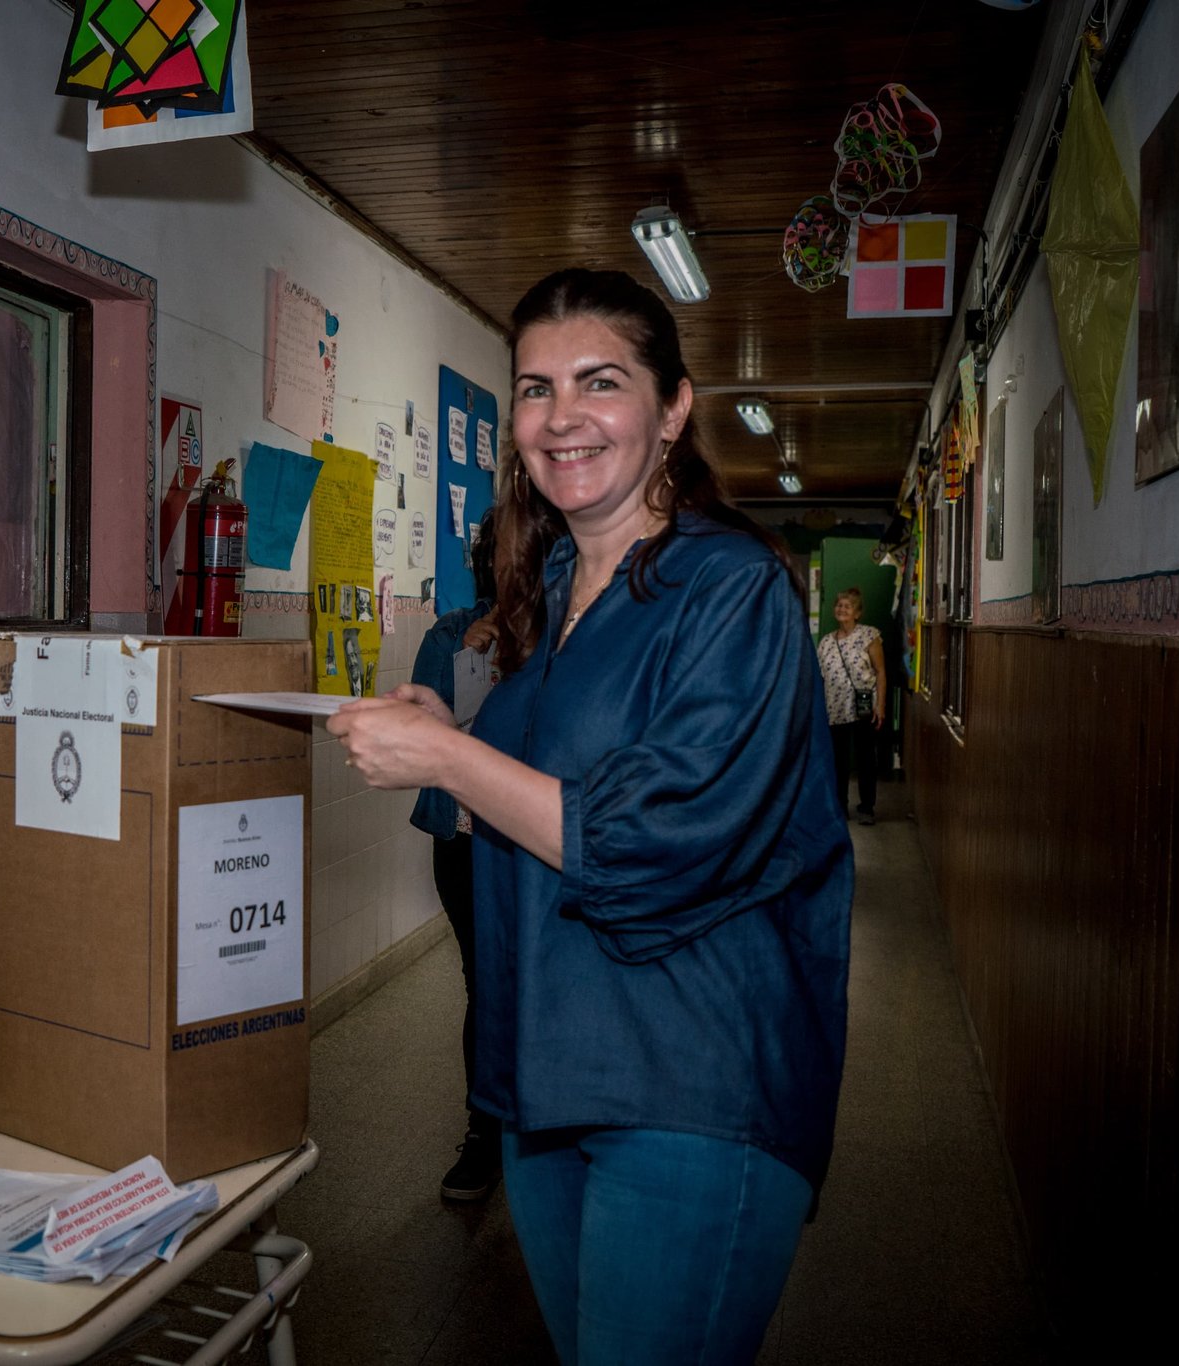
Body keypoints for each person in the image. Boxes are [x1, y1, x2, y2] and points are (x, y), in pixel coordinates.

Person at [328, 268, 851, 1365]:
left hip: (688, 1079)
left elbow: (662, 835)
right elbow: (539, 795)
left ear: (670, 410)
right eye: (533, 388)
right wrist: (451, 730)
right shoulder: (557, 583)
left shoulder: (730, 588)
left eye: (597, 383)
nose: (559, 416)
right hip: (547, 1074)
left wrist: (456, 760)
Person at [409, 508, 503, 1200]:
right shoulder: (449, 633)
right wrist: (472, 657)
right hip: (470, 844)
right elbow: (422, 732)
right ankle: (485, 1132)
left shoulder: (579, 631)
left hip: (542, 846)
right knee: (486, 984)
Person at [816, 586, 887, 825]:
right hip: (834, 708)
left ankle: (867, 807)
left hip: (864, 705)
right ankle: (840, 806)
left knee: (866, 758)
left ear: (857, 613)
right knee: (838, 760)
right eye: (839, 605)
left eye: (847, 606)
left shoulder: (869, 636)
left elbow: (880, 671)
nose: (841, 609)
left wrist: (881, 705)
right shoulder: (826, 642)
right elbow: (820, 677)